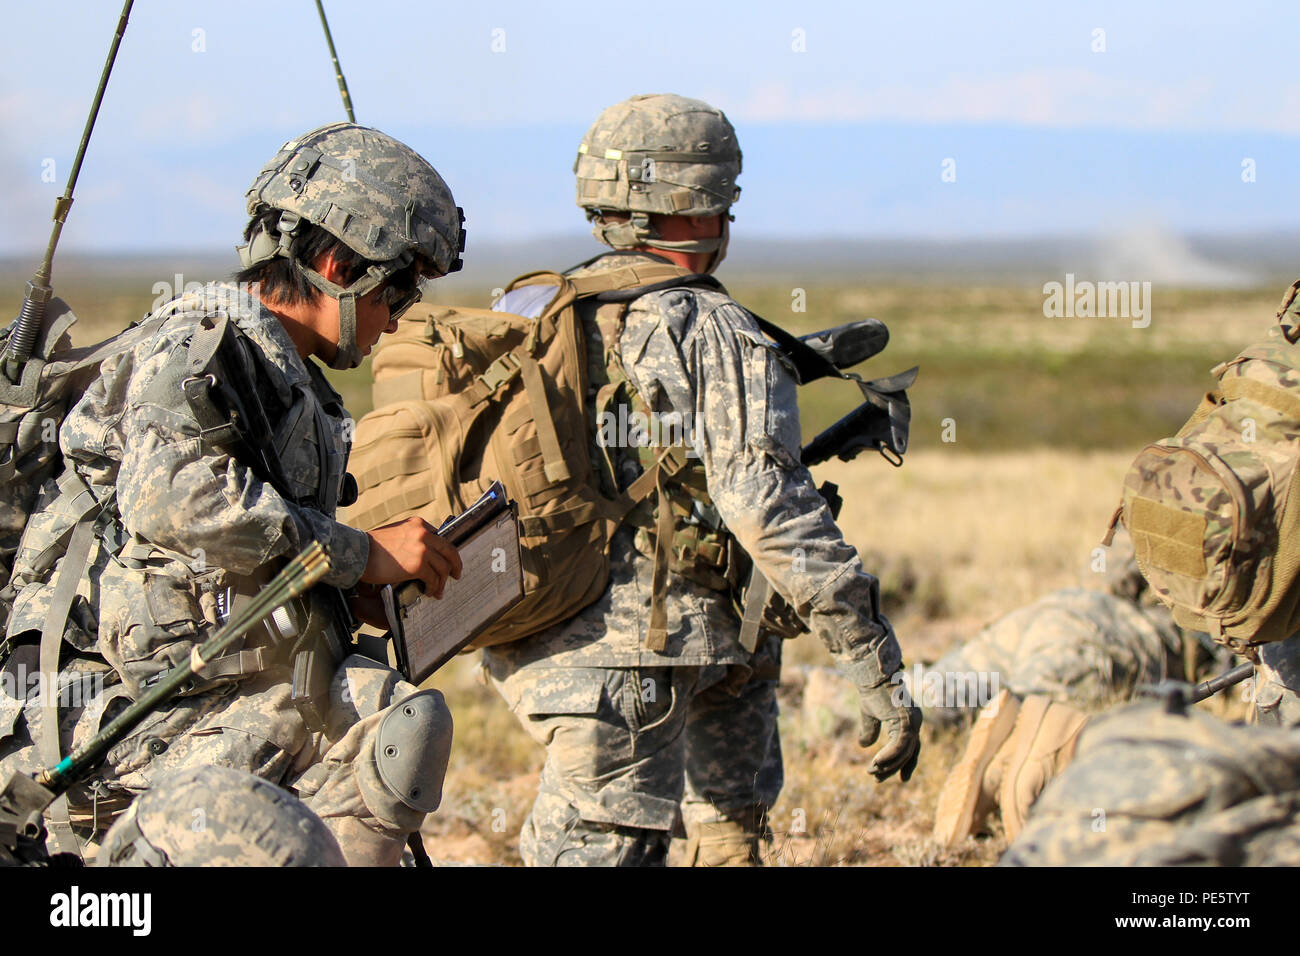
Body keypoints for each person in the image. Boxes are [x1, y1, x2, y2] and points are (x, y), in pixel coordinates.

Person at [0, 122, 464, 866]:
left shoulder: (278, 369)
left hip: (182, 693)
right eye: (399, 287)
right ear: (339, 265)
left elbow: (219, 572)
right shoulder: (201, 349)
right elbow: (176, 502)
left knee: (394, 719)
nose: (401, 315)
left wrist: (347, 594)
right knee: (373, 731)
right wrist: (358, 554)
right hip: (98, 715)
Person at [480, 93, 921, 866]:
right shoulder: (705, 322)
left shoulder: (528, 303)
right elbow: (766, 504)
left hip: (558, 624)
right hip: (659, 647)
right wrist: (869, 655)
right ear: (700, 201)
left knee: (712, 831)